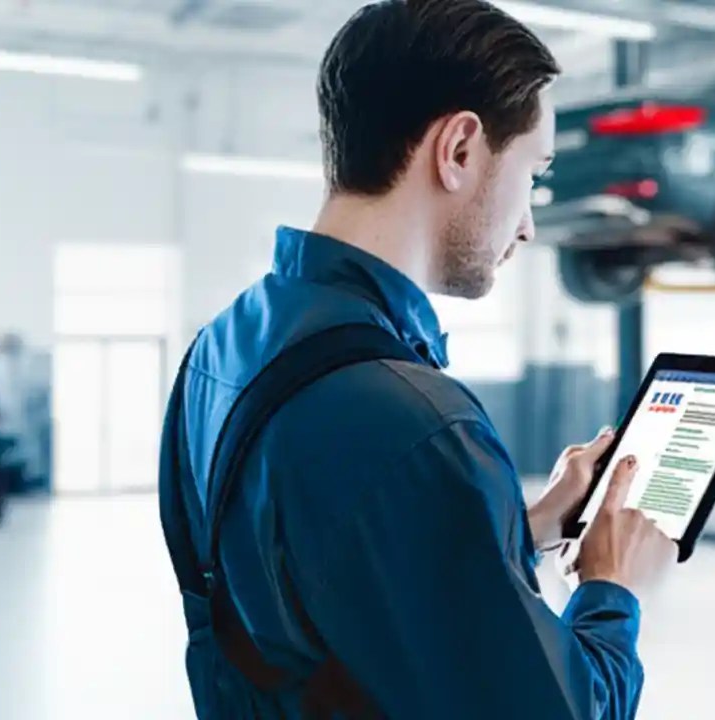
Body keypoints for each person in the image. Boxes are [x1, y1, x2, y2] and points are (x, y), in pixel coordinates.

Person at [160, 1, 678, 717]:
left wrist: (516, 531)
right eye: (532, 173)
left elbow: (319, 597)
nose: (528, 224)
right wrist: (612, 586)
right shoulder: (421, 425)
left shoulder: (216, 352)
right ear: (460, 150)